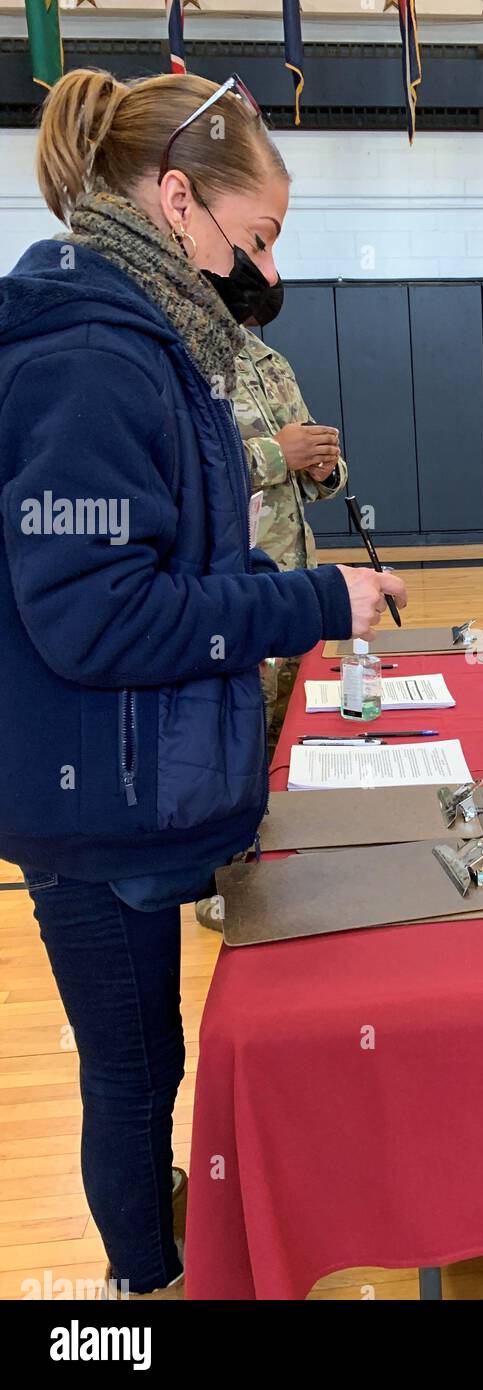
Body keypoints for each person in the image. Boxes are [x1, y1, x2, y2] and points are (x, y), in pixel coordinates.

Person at [0, 69, 407, 1298]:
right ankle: (143, 1287)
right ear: (177, 201)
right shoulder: (93, 356)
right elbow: (95, 613)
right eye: (261, 234)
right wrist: (313, 601)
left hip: (125, 784)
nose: (266, 264)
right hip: (95, 802)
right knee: (129, 1074)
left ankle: (162, 1239)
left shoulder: (138, 336)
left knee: (152, 1060)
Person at [233, 326, 347, 753]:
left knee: (293, 725)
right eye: (259, 253)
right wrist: (279, 454)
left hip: (297, 582)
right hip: (241, 586)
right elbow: (189, 470)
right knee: (248, 732)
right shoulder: (187, 358)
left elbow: (317, 475)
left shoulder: (270, 362)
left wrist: (325, 469)